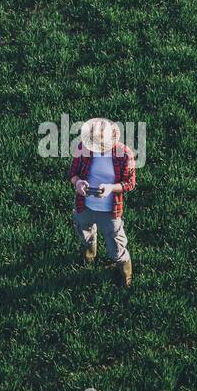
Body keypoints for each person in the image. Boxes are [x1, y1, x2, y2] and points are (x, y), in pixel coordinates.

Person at [67, 117, 137, 287]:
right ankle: (90, 253)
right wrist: (78, 183)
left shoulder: (124, 154)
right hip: (85, 204)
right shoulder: (83, 148)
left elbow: (130, 183)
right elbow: (73, 173)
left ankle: (124, 271)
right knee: (84, 230)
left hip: (110, 210)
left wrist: (111, 188)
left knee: (115, 243)